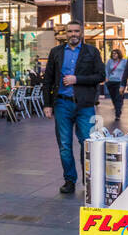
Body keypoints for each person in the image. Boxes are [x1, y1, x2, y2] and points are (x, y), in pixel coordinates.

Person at [42, 20, 105, 195]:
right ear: (65, 33)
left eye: (76, 31)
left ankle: (88, 179)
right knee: (64, 144)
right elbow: (47, 80)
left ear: (82, 33)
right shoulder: (56, 52)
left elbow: (101, 75)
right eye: (70, 31)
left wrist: (77, 79)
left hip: (85, 105)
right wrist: (47, 104)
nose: (73, 34)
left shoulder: (92, 51)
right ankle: (69, 180)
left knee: (87, 142)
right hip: (62, 104)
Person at [105, 47, 127, 120]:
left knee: (118, 98)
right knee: (113, 97)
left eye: (115, 53)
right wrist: (107, 79)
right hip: (111, 82)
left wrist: (125, 80)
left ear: (119, 54)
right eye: (113, 53)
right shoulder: (110, 61)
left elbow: (127, 71)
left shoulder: (124, 61)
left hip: (119, 82)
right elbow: (107, 70)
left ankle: (118, 114)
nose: (114, 54)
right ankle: (117, 106)